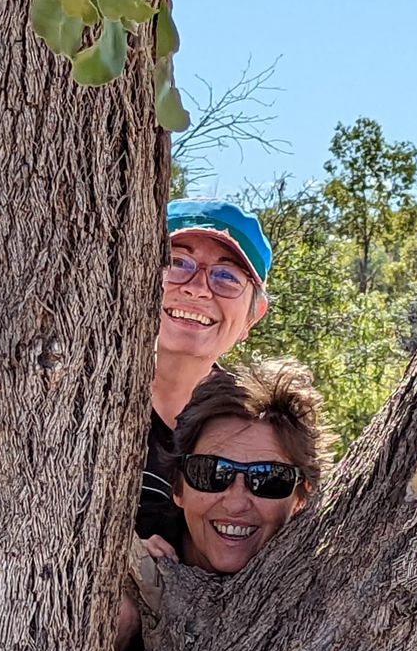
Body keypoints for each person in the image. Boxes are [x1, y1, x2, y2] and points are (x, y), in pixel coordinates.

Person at [139, 199, 274, 552]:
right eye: (177, 263)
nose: (197, 288)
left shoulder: (260, 429)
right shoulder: (69, 393)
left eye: (226, 276)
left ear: (253, 316)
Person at [161, 358, 333, 575]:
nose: (236, 504)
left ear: (301, 498)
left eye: (268, 478)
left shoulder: (325, 576)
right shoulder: (130, 541)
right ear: (178, 486)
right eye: (213, 473)